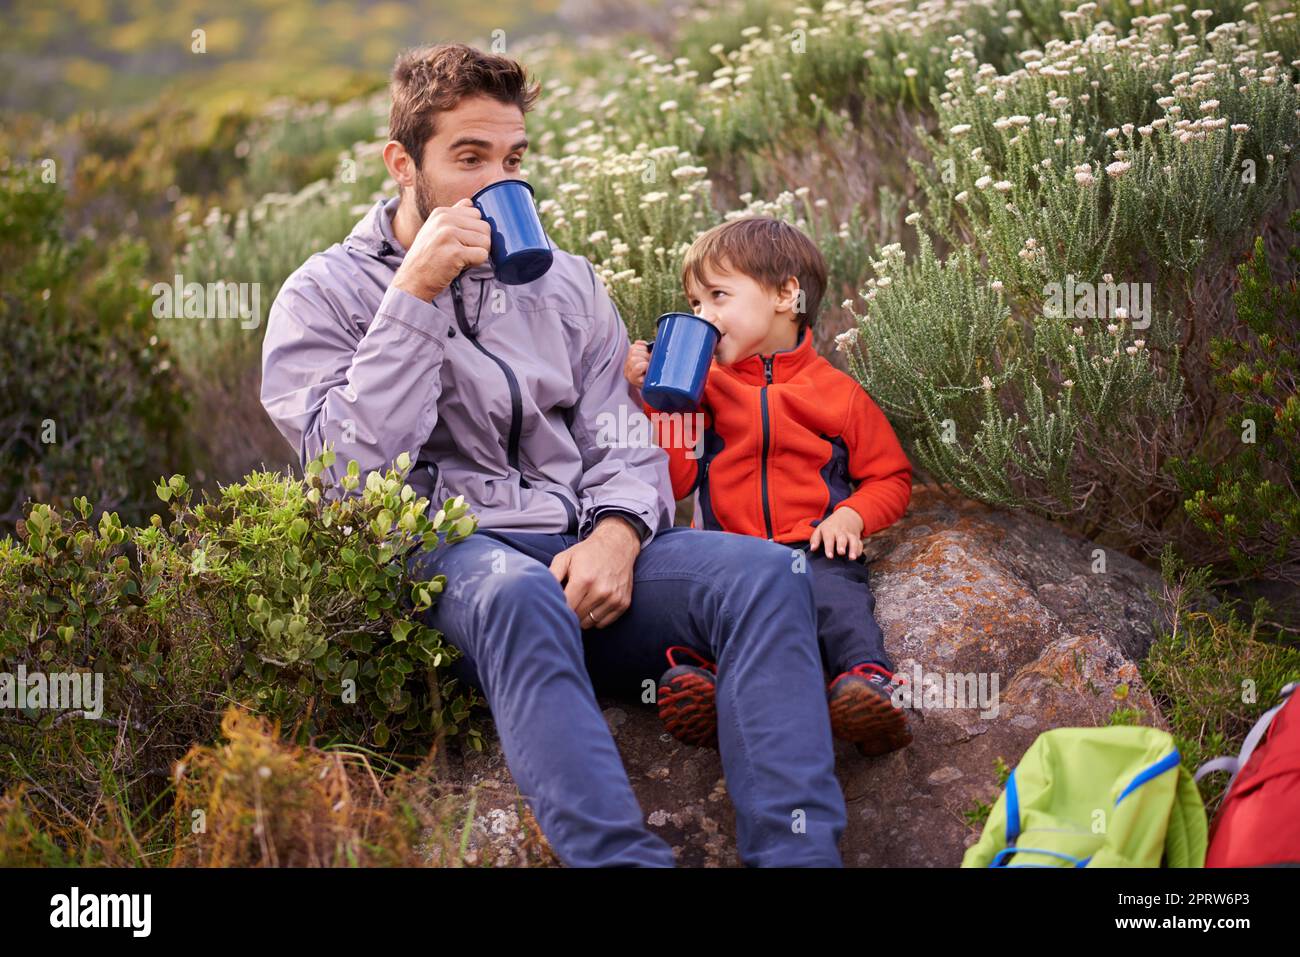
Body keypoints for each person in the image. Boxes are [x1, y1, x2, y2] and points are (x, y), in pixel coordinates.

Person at [259, 42, 847, 867]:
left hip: (580, 553)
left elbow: (622, 433)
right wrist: (414, 296)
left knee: (765, 577)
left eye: (513, 158)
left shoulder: (566, 281)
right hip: (445, 566)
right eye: (470, 158)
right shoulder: (321, 295)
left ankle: (798, 858)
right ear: (403, 163)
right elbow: (347, 479)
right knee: (518, 593)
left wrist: (617, 532)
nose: (500, 181)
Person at [624, 217, 915, 757]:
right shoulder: (703, 386)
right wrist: (663, 403)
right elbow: (679, 480)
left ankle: (869, 686)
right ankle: (706, 692)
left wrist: (851, 516)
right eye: (694, 304)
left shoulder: (836, 393)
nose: (702, 316)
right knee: (711, 614)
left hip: (812, 546)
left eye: (717, 296)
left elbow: (890, 476)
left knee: (834, 601)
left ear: (786, 295)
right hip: (728, 556)